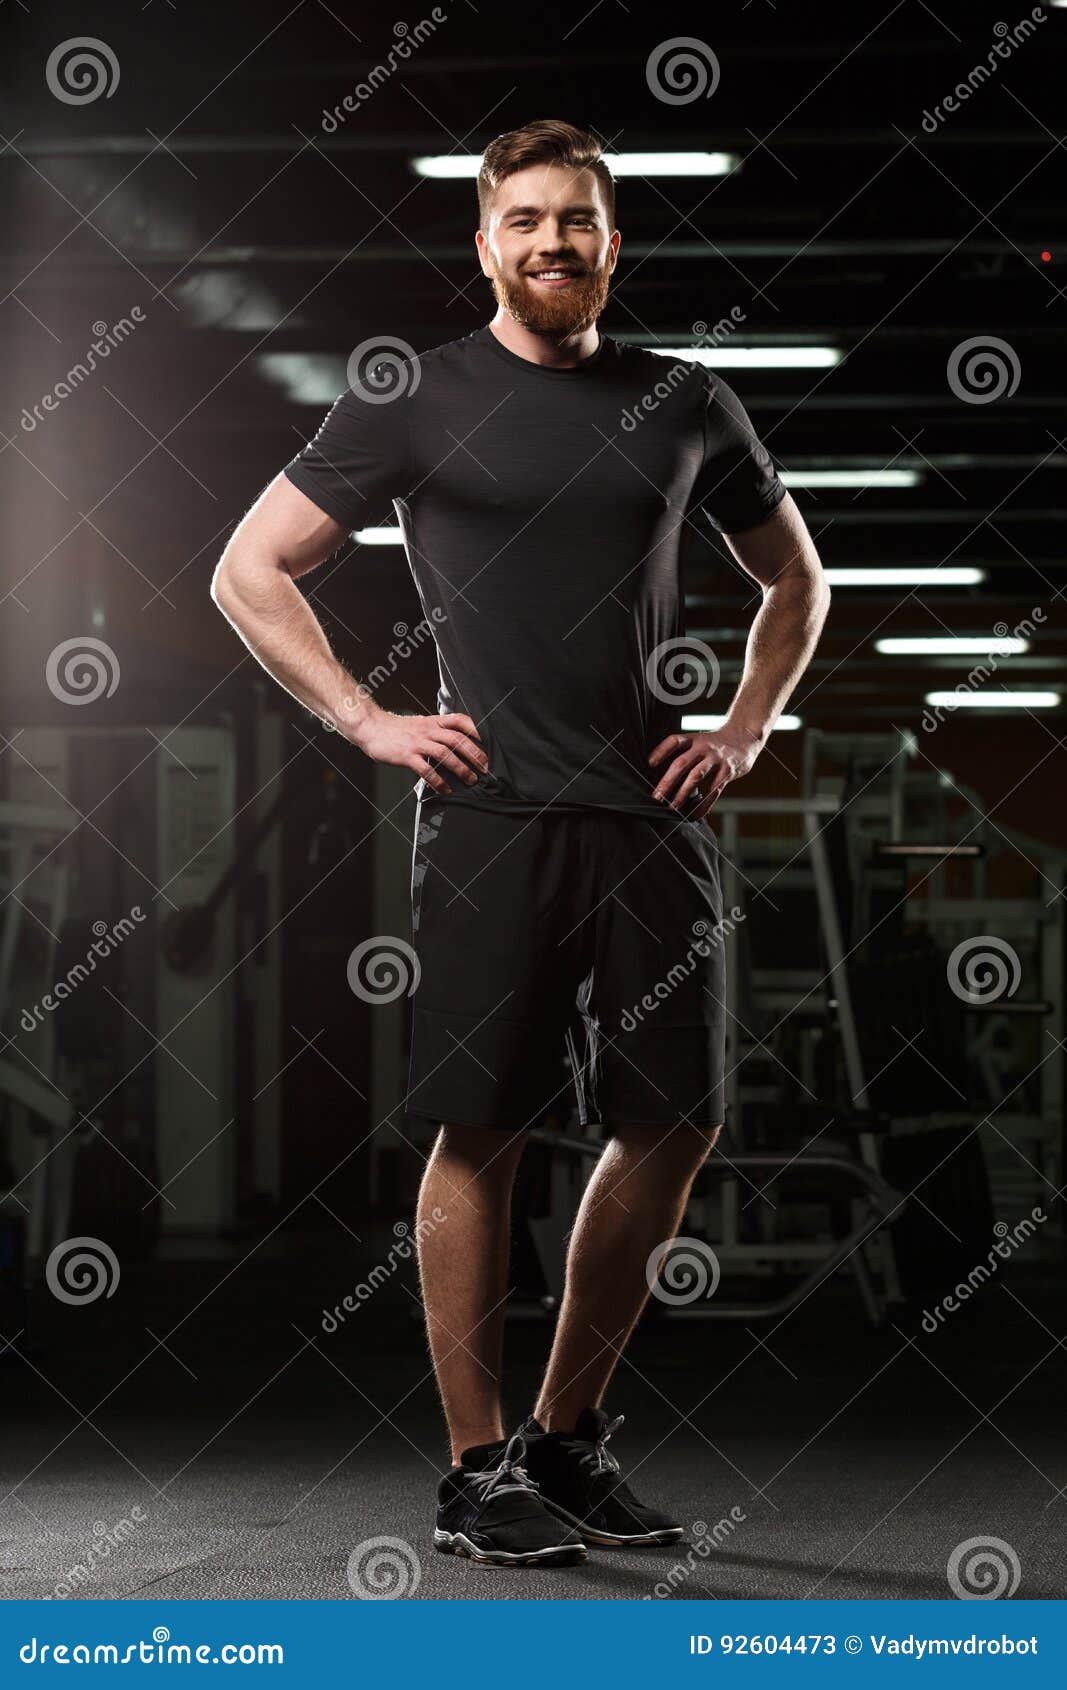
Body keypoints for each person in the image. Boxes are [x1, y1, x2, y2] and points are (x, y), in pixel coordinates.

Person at [211, 118, 830, 1569]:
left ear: (614, 242)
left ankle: (566, 1435)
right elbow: (250, 568)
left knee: (675, 1124)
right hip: (489, 817)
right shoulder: (414, 401)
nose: (556, 241)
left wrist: (742, 725)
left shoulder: (688, 401)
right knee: (481, 1128)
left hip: (649, 815)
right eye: (529, 219)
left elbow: (795, 580)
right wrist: (365, 718)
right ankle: (476, 1466)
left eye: (581, 220)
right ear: (484, 241)